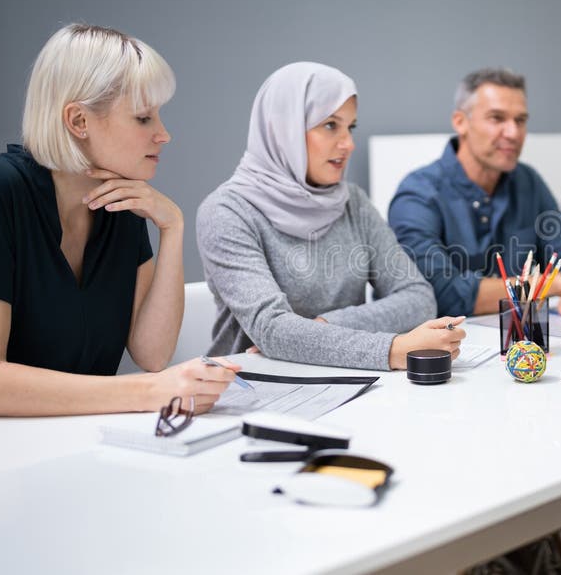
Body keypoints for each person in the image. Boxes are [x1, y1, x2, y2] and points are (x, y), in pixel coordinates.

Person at [0, 24, 239, 417]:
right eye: (143, 118)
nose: (163, 134)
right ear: (78, 121)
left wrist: (172, 228)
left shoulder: (122, 204)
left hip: (83, 440)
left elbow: (152, 352)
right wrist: (150, 392)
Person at [196, 62, 464, 371]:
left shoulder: (352, 202)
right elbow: (271, 330)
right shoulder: (227, 211)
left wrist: (325, 325)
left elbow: (418, 297)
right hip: (253, 386)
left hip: (349, 380)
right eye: (330, 125)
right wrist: (392, 349)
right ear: (283, 130)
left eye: (350, 127)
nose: (348, 143)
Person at [389, 67, 561, 319]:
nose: (513, 133)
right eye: (497, 118)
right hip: (448, 349)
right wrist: (556, 285)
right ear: (460, 122)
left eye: (520, 120)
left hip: (523, 347)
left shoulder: (528, 181)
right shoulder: (418, 194)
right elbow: (442, 294)